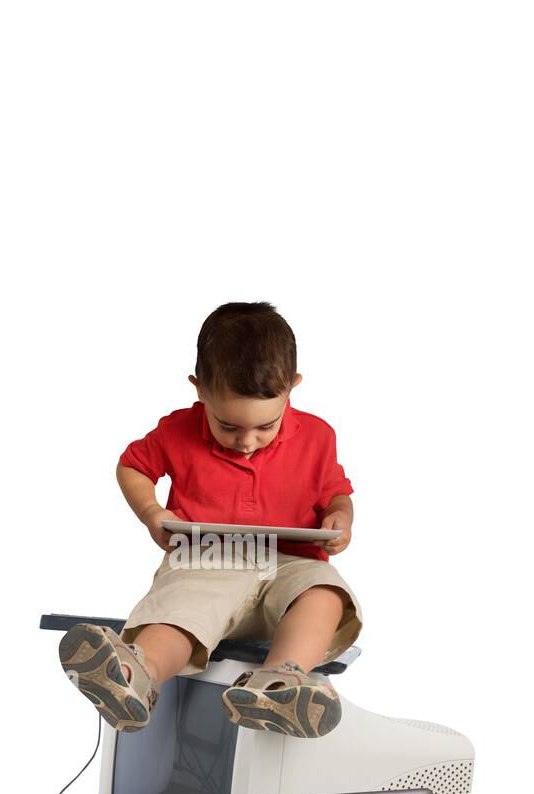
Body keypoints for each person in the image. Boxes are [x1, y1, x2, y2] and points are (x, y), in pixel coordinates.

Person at [60, 301, 362, 738]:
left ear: (292, 388)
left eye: (265, 427)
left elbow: (336, 490)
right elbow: (133, 466)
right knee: (183, 609)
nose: (246, 442)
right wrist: (152, 513)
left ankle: (277, 683)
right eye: (228, 427)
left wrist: (340, 516)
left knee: (325, 593)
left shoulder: (319, 435)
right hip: (209, 557)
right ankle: (133, 676)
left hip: (292, 564)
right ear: (198, 388)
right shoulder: (177, 429)